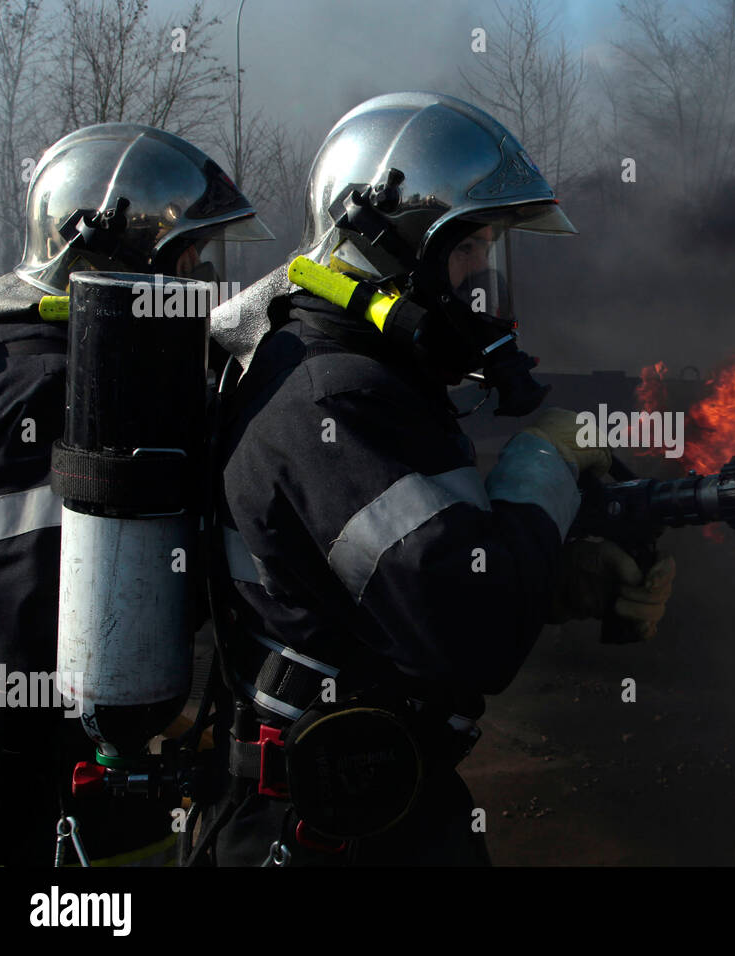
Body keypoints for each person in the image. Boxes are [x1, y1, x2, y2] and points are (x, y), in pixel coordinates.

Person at [205, 91, 675, 866]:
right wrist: (544, 461)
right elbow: (467, 632)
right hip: (329, 827)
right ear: (388, 245)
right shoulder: (335, 395)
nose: (482, 272)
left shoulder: (363, 378)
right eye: (467, 246)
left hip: (379, 800)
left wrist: (560, 577)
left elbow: (399, 587)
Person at [0, 123, 272, 866]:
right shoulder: (63, 391)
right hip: (38, 799)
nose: (197, 283)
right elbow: (56, 623)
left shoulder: (3, 355)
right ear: (109, 255)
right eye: (183, 258)